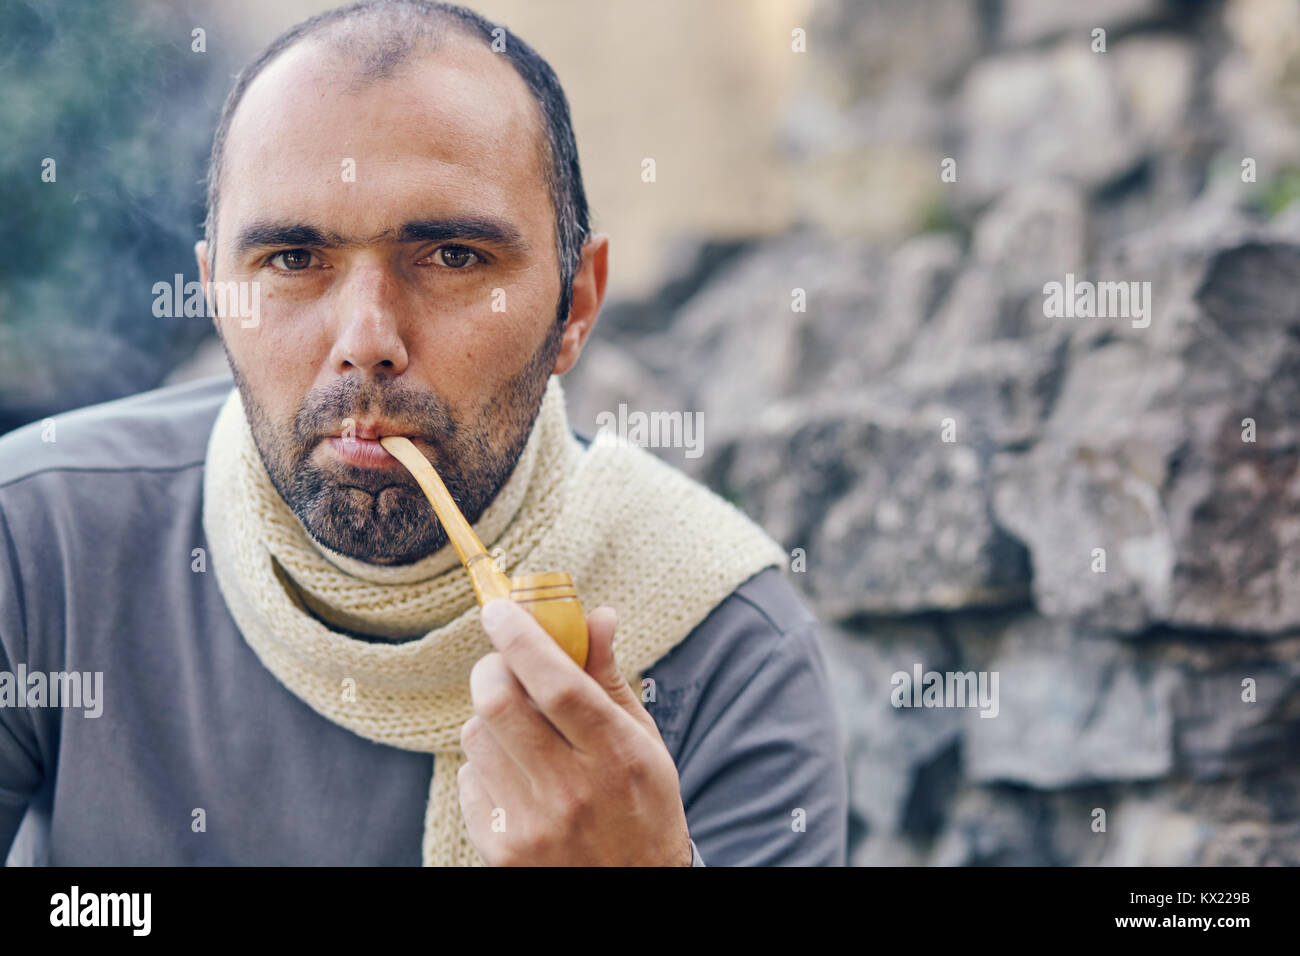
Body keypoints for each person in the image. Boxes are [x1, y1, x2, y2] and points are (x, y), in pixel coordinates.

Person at [0, 0, 847, 866]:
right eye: (292, 260)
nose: (367, 340)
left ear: (575, 306)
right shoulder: (38, 544)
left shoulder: (731, 644)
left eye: (451, 256)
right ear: (217, 293)